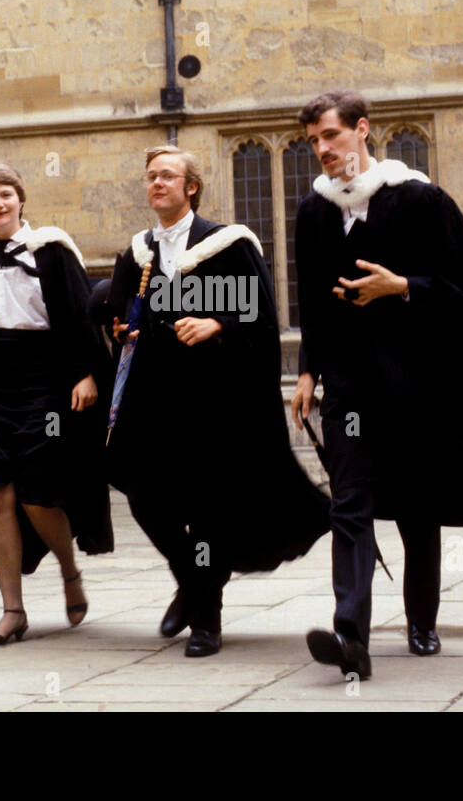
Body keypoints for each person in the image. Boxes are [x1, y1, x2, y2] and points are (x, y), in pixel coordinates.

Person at [291, 91, 463, 680]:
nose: (322, 150)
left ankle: (421, 622)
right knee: (348, 503)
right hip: (349, 391)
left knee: (416, 511)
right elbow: (314, 307)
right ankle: (351, 637)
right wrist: (306, 369)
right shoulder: (315, 214)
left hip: (417, 388)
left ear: (363, 131)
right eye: (313, 141)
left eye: (330, 135)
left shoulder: (422, 201)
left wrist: (402, 287)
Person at [105, 145, 330, 659]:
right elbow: (122, 317)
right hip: (154, 401)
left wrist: (216, 323)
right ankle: (193, 580)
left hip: (212, 403)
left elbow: (261, 317)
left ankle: (207, 619)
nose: (157, 183)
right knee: (145, 497)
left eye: (168, 176)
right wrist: (120, 327)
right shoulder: (139, 251)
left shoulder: (227, 245)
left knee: (206, 511)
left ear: (191, 188)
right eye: (151, 177)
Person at [0, 160, 113, 647]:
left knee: (37, 491)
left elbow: (81, 316)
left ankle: (69, 569)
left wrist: (87, 373)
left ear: (21, 198)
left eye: (5, 194)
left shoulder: (53, 251)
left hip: (45, 383)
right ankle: (12, 609)